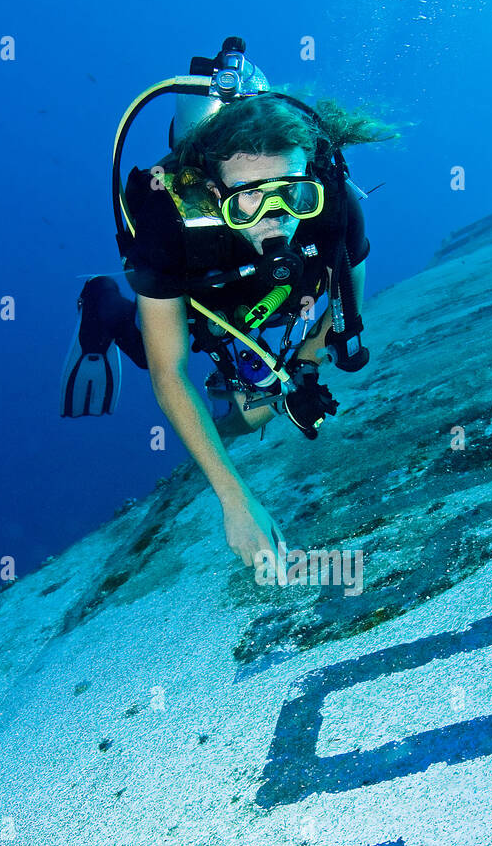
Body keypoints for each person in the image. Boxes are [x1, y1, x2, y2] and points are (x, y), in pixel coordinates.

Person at [61, 42, 396, 568]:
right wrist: (234, 501)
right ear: (213, 192)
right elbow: (171, 374)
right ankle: (101, 302)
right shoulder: (168, 226)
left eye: (293, 194)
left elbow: (344, 291)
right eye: (249, 197)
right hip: (203, 290)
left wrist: (306, 364)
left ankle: (237, 396)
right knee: (154, 354)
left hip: (276, 296)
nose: (275, 217)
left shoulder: (335, 208)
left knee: (257, 404)